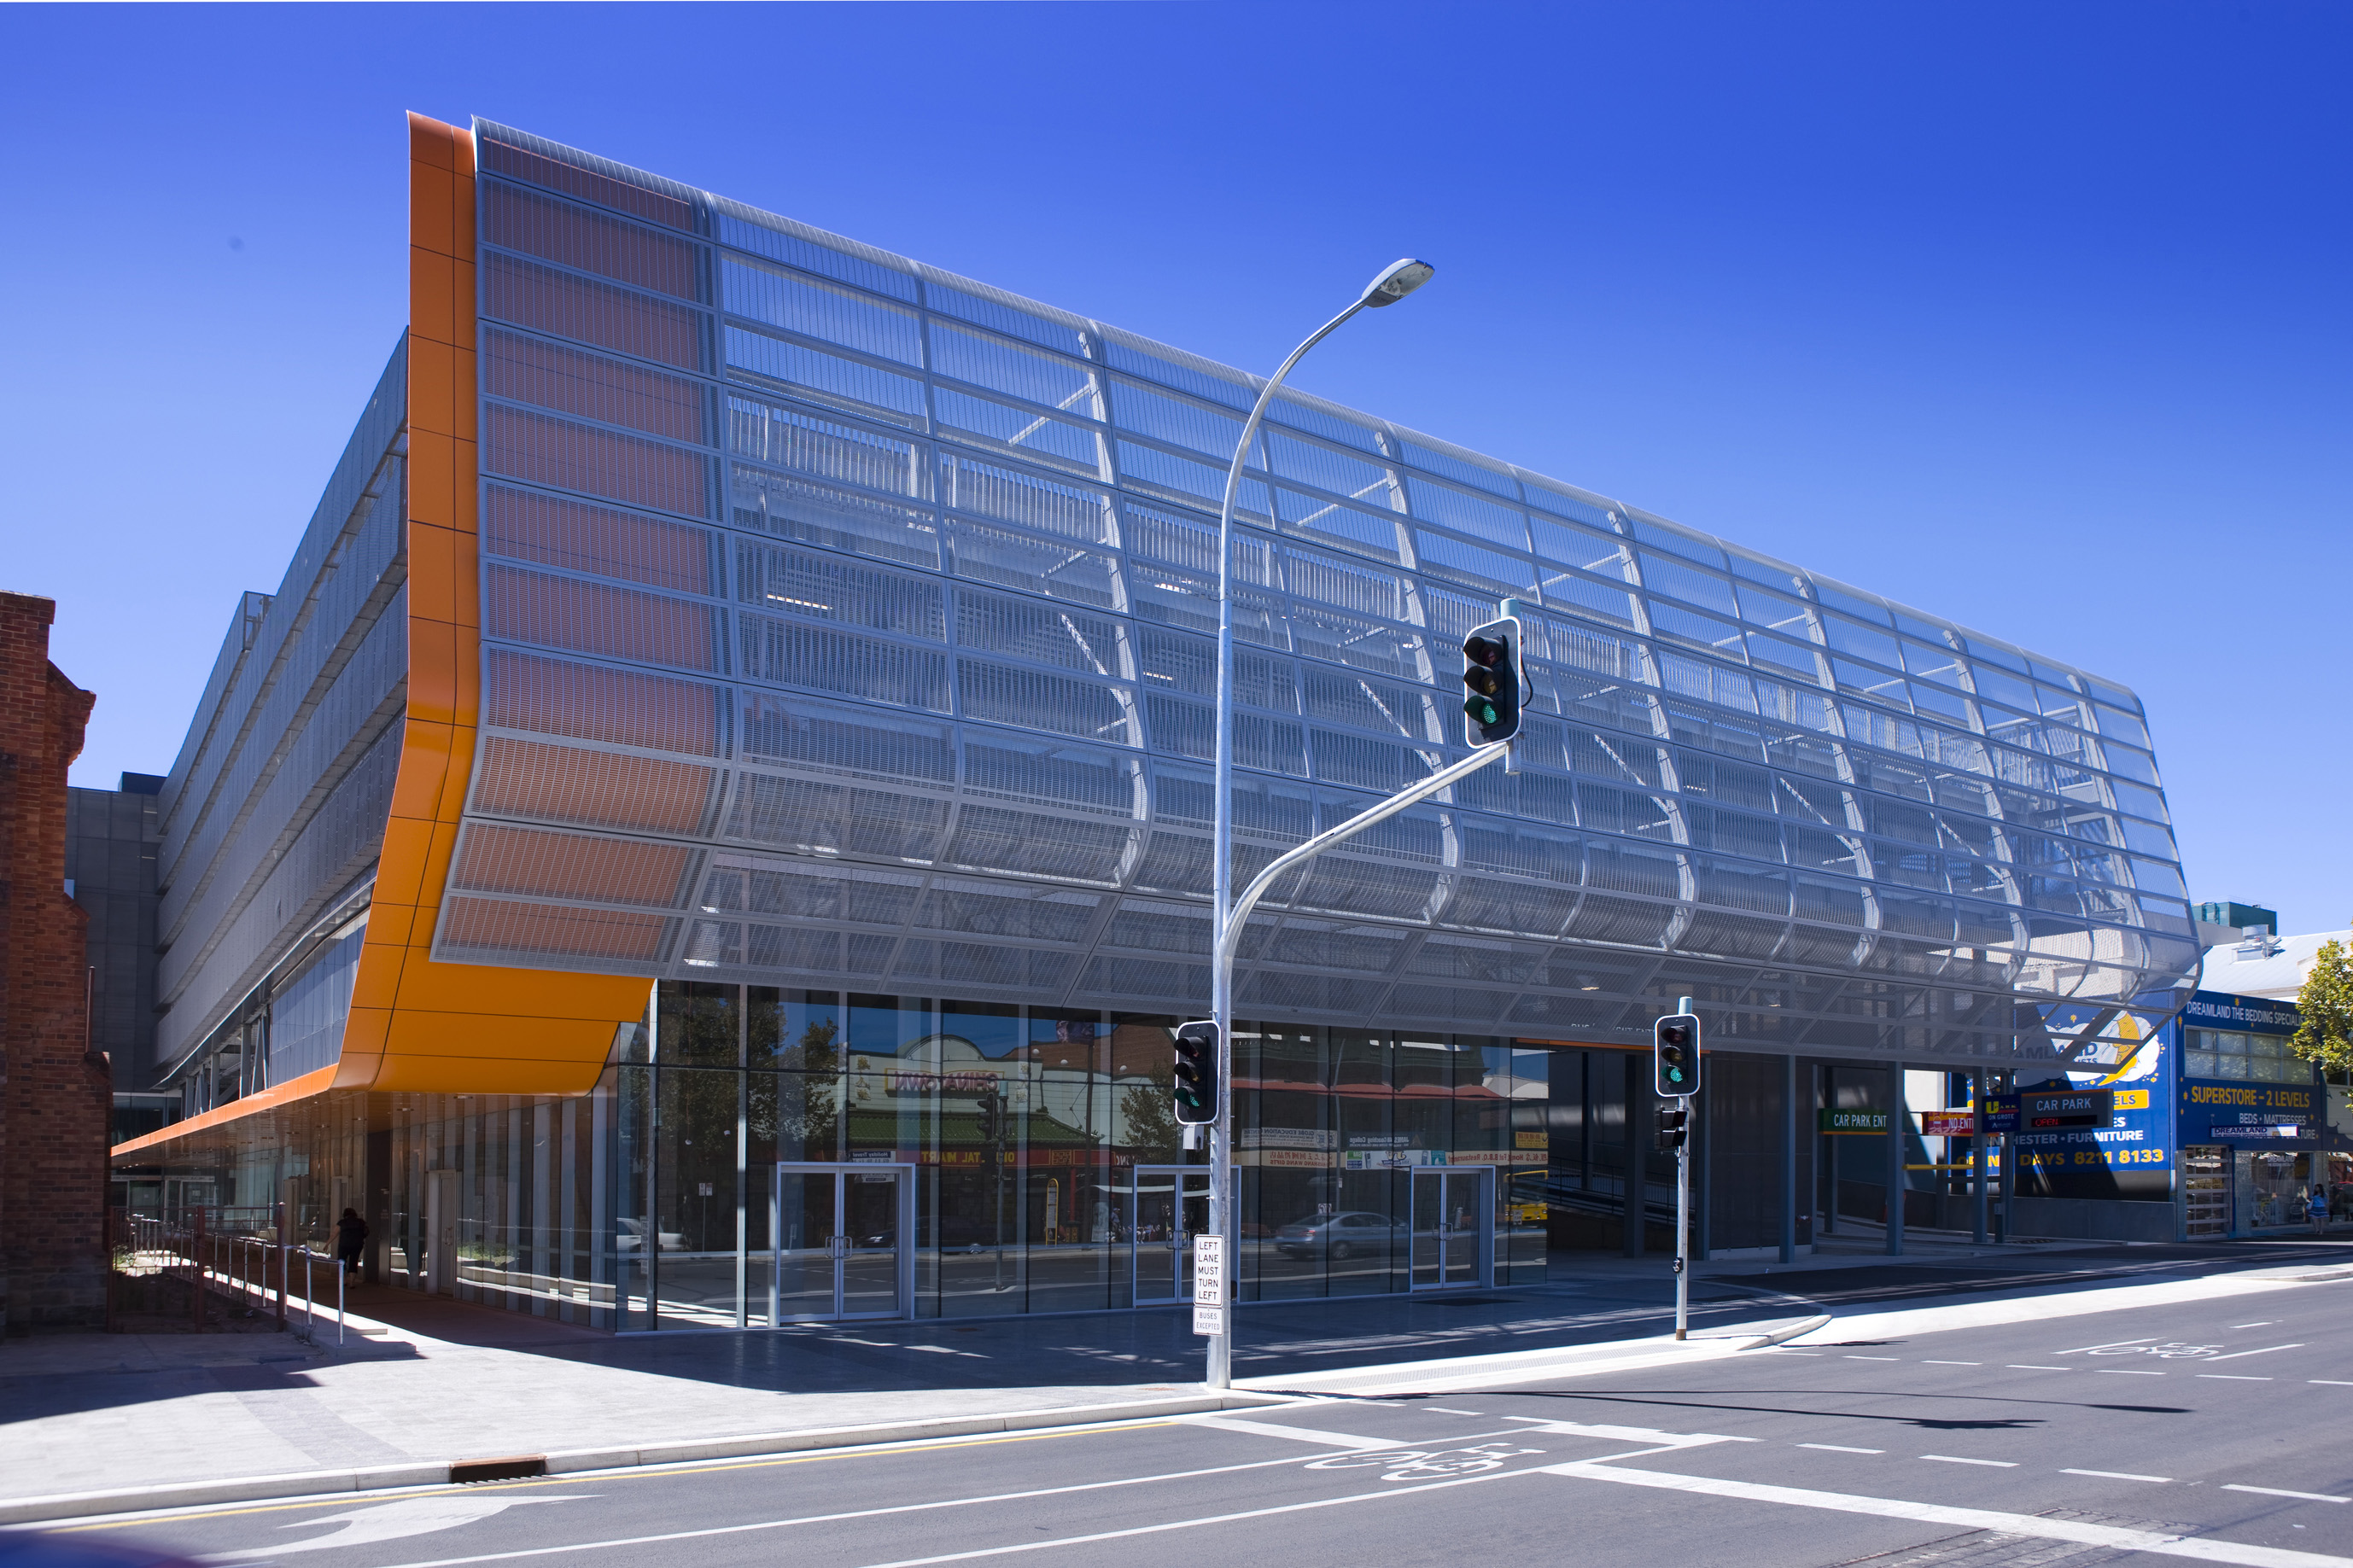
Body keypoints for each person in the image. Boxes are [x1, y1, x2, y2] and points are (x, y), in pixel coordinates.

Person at [334, 1207, 370, 1277]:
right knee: (353, 1262)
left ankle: (343, 1281)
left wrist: (327, 1243)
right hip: (357, 1245)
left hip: (344, 1245)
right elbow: (366, 1232)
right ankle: (352, 1283)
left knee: (342, 1261)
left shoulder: (342, 1222)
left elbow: (334, 1234)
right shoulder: (361, 1222)